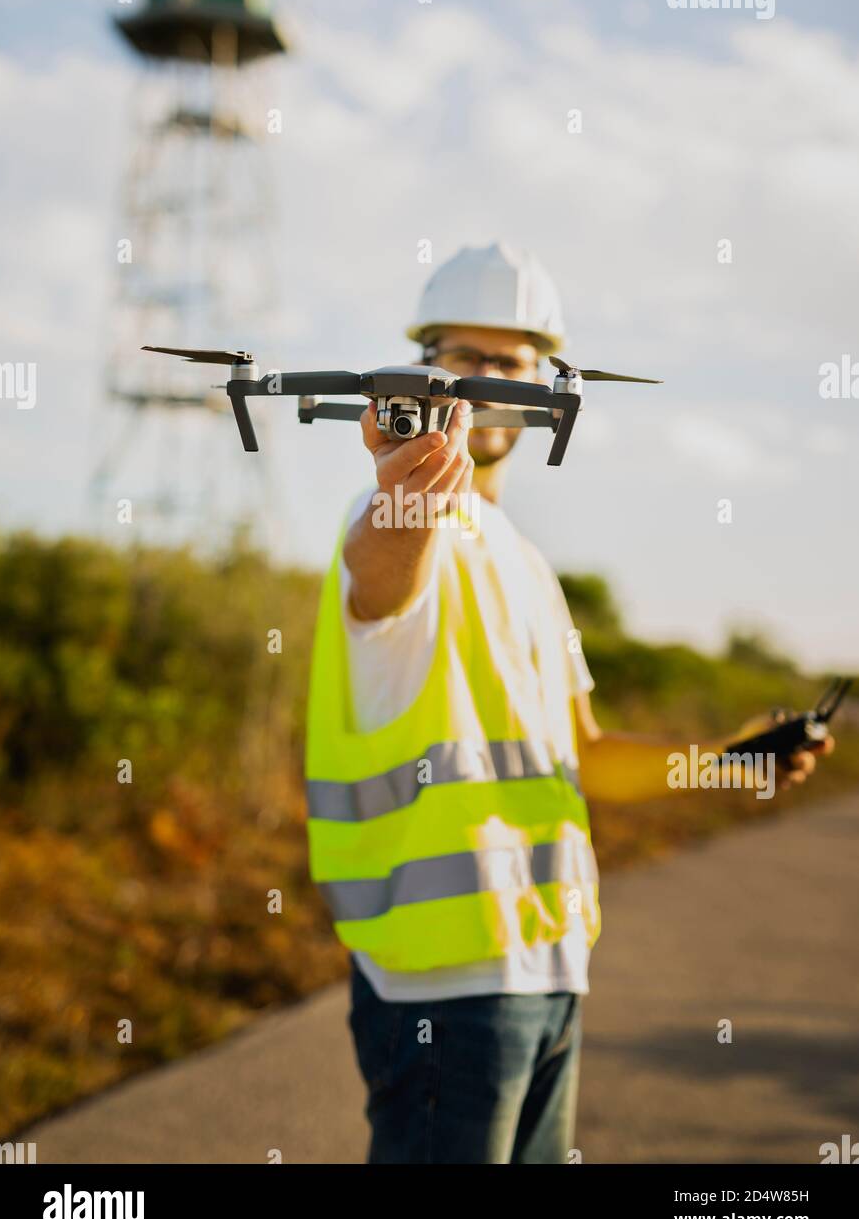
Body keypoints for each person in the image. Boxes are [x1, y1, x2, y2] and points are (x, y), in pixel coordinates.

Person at [304, 241, 833, 1164]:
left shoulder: (528, 565)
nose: (486, 381)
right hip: (441, 988)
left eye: (511, 362)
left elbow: (581, 756)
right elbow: (380, 579)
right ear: (423, 366)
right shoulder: (394, 518)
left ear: (542, 375)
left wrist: (729, 757)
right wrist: (406, 500)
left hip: (550, 973)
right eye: (464, 358)